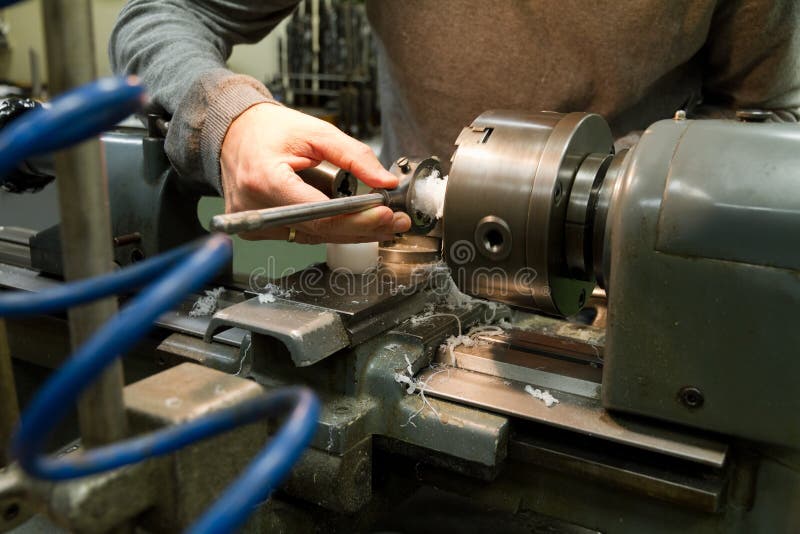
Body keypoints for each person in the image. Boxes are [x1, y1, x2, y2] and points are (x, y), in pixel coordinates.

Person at [110, 1, 800, 244]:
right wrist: (231, 122)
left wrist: (634, 194)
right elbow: (164, 15)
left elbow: (768, 125)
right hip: (411, 247)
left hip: (623, 270)